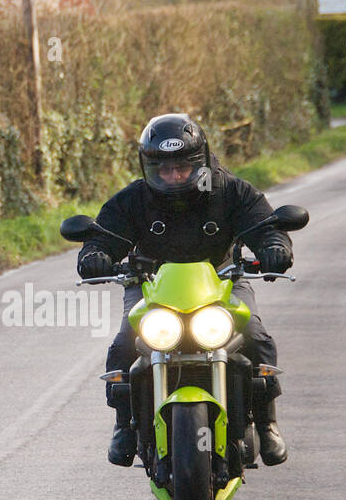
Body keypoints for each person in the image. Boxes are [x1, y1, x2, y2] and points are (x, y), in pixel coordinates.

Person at [76, 113, 293, 467]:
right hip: (150, 285)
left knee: (254, 334)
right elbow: (104, 235)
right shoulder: (134, 199)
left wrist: (274, 248)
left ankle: (267, 423)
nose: (174, 176)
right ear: (149, 167)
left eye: (182, 167)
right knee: (123, 343)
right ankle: (124, 426)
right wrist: (95, 255)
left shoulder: (230, 191)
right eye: (163, 169)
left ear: (201, 162)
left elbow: (265, 225)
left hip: (222, 281)